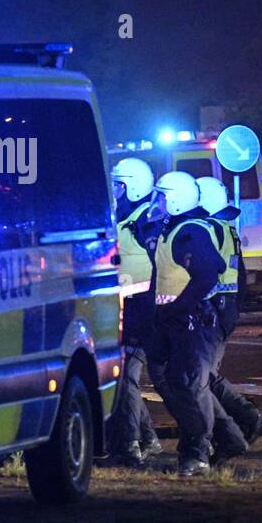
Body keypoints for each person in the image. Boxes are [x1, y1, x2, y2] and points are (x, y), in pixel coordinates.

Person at [146, 171, 243, 477]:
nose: (156, 202)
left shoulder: (189, 232)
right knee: (176, 381)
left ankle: (197, 454)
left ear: (174, 200)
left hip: (191, 323)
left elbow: (208, 272)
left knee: (189, 385)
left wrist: (179, 308)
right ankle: (226, 439)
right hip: (174, 323)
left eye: (161, 196)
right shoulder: (175, 228)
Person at [194, 176, 262, 449]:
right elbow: (240, 279)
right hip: (224, 310)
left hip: (214, 310)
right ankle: (240, 423)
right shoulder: (226, 230)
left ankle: (246, 420)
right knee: (203, 376)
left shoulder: (211, 231)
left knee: (202, 378)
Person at [107, 157, 163, 466]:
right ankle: (149, 439)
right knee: (123, 378)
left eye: (118, 185)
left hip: (142, 311)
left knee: (126, 378)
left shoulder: (146, 220)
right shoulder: (126, 216)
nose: (113, 190)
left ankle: (129, 447)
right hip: (127, 310)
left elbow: (160, 266)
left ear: (132, 186)